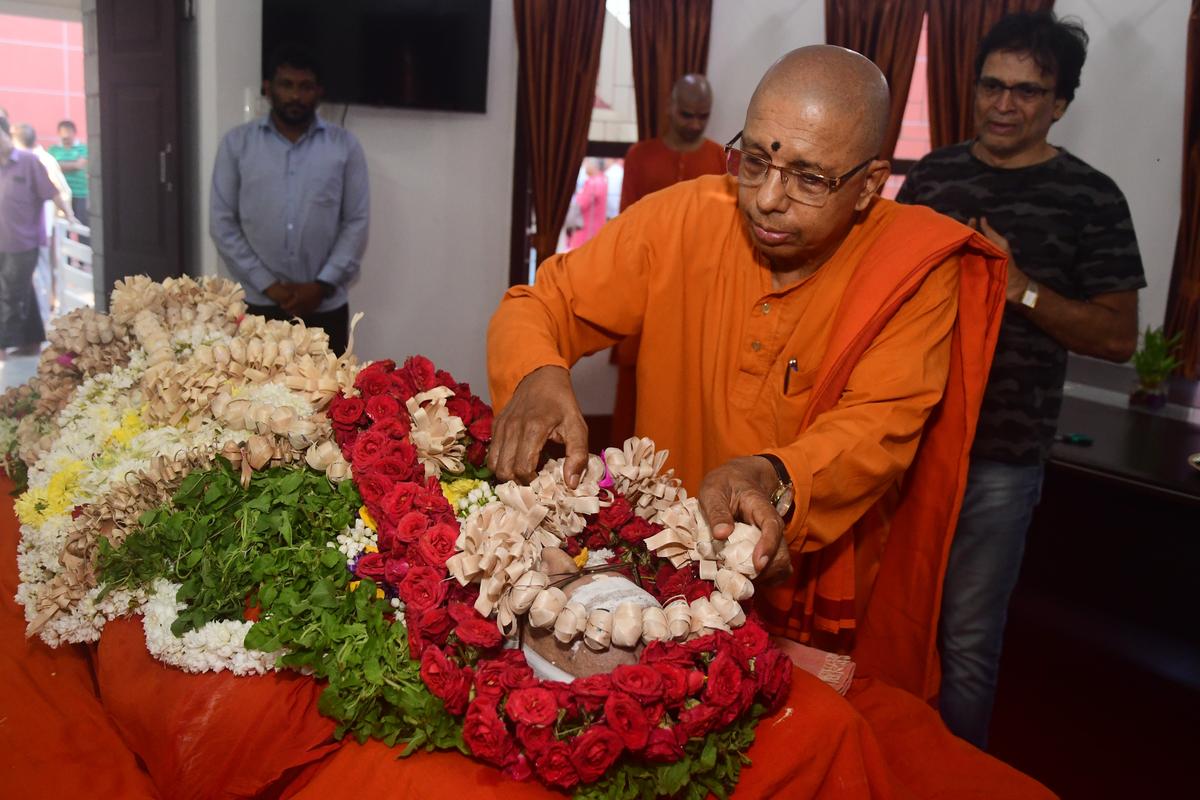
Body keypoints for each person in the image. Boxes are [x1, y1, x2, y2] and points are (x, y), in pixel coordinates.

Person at [486, 45, 1008, 695]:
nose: (766, 198)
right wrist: (538, 371)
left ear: (871, 183)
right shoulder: (684, 218)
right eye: (755, 160)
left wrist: (773, 476)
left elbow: (878, 426)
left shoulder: (913, 272)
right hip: (659, 559)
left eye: (810, 178)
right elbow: (545, 302)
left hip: (806, 560)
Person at [896, 11, 1145, 750]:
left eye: (1029, 92)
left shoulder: (1090, 196)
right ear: (972, 88)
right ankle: (892, 763)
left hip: (1001, 455)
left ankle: (956, 779)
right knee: (895, 621)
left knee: (967, 641)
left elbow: (1118, 335)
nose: (1005, 105)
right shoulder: (934, 175)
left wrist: (1020, 288)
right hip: (907, 441)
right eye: (992, 86)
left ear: (1060, 103)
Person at [210, 43, 369, 356]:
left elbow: (356, 222)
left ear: (319, 91)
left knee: (330, 400)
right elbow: (222, 222)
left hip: (325, 305)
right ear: (268, 89)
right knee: (253, 399)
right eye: (286, 85)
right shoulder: (237, 144)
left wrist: (321, 286)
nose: (296, 96)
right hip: (257, 304)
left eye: (305, 87)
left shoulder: (344, 146)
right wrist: (269, 285)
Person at [611, 74, 728, 444]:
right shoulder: (641, 157)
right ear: (670, 107)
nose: (694, 124)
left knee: (688, 394)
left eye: (702, 116)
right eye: (687, 114)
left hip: (697, 296)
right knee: (632, 395)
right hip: (644, 293)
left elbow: (722, 229)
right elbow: (627, 225)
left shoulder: (716, 158)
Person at [0, 116, 75, 359]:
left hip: (24, 243)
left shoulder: (29, 161)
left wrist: (70, 215)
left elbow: (52, 192)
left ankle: (2, 346)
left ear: (6, 135)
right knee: (22, 292)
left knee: (10, 294)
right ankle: (32, 341)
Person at [14, 124, 71, 319]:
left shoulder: (41, 160)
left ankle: (43, 321)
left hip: (38, 232)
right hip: (19, 234)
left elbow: (59, 191)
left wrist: (67, 216)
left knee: (40, 278)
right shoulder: (15, 161)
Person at [47, 120, 88, 233]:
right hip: (61, 195)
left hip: (80, 192)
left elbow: (80, 165)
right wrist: (73, 164)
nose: (66, 135)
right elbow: (51, 167)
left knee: (83, 225)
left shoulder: (83, 148)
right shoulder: (53, 149)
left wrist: (60, 165)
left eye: (68, 132)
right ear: (59, 133)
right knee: (63, 228)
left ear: (74, 132)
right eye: (63, 133)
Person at [565, 158, 607, 250]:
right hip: (596, 227)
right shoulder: (602, 180)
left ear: (594, 166)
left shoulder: (593, 183)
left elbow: (581, 203)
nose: (586, 166)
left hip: (586, 229)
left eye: (588, 163)